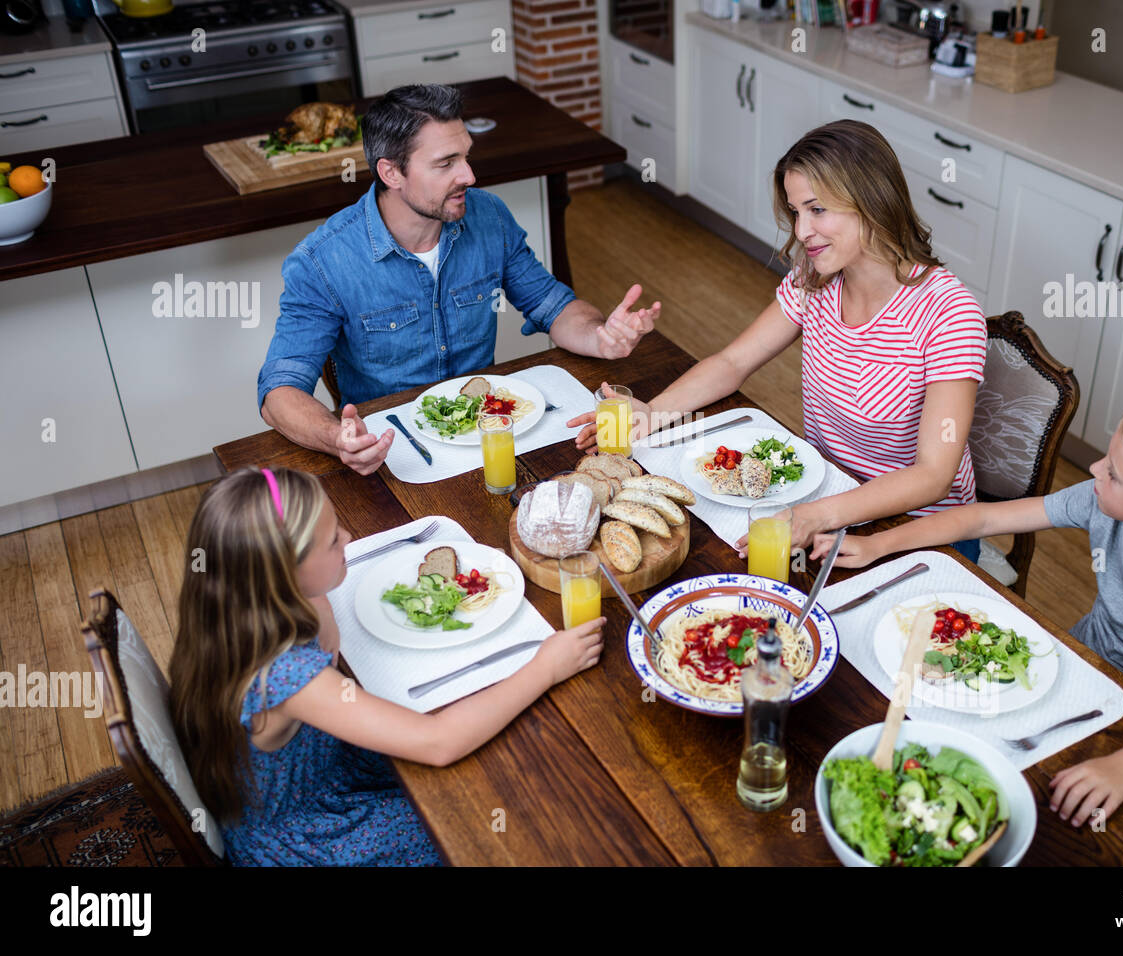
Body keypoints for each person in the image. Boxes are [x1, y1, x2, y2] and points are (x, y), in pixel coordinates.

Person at [809, 399, 1123, 826]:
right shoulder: (1105, 501)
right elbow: (981, 520)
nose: (1095, 469)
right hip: (1082, 667)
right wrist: (875, 545)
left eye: (1113, 473)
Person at [570, 120, 986, 556]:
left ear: (872, 200)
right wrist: (652, 412)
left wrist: (816, 516)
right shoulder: (815, 280)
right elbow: (733, 363)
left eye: (817, 209)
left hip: (921, 533)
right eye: (796, 212)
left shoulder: (948, 312)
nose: (803, 231)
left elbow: (934, 475)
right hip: (829, 499)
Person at [168, 465, 604, 865]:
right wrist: (545, 667)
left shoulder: (234, 612)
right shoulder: (288, 676)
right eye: (331, 541)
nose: (347, 536)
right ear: (284, 573)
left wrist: (314, 585)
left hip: (315, 773)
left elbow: (327, 632)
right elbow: (438, 742)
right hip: (309, 832)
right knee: (473, 827)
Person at [258, 83, 661, 476]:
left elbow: (551, 304)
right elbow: (280, 391)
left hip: (494, 436)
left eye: (466, 156)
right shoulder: (323, 260)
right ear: (391, 173)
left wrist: (600, 336)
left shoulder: (489, 216)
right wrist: (337, 438)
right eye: (445, 163)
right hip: (394, 455)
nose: (469, 175)